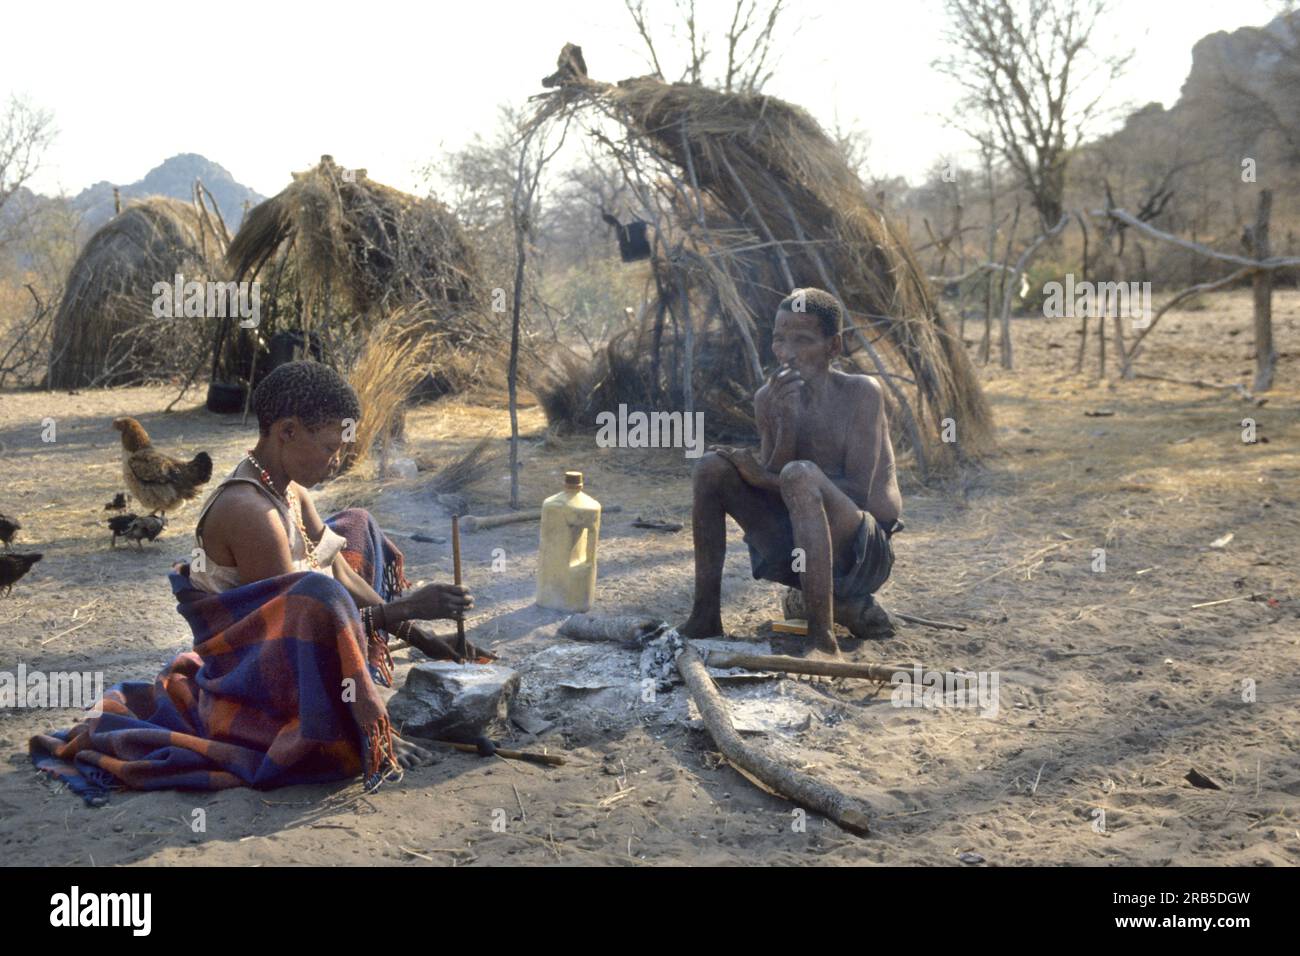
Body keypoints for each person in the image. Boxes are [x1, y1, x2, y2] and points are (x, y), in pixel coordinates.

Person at [33, 361, 475, 804]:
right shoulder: (250, 513)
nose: (337, 461)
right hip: (255, 669)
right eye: (329, 448)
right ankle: (349, 713)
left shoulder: (288, 491)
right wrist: (406, 611)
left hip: (299, 633)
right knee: (315, 596)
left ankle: (358, 681)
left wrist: (424, 637)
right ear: (286, 432)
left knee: (357, 524)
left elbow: (337, 568)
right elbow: (291, 628)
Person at [678, 288, 903, 658]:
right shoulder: (769, 398)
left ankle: (821, 639)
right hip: (797, 549)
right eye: (780, 340)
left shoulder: (861, 393)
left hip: (862, 552)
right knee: (711, 468)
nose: (788, 352)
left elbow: (860, 494)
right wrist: (786, 423)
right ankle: (705, 616)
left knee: (800, 475)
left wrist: (768, 477)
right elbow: (774, 479)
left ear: (834, 347)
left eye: (803, 340)